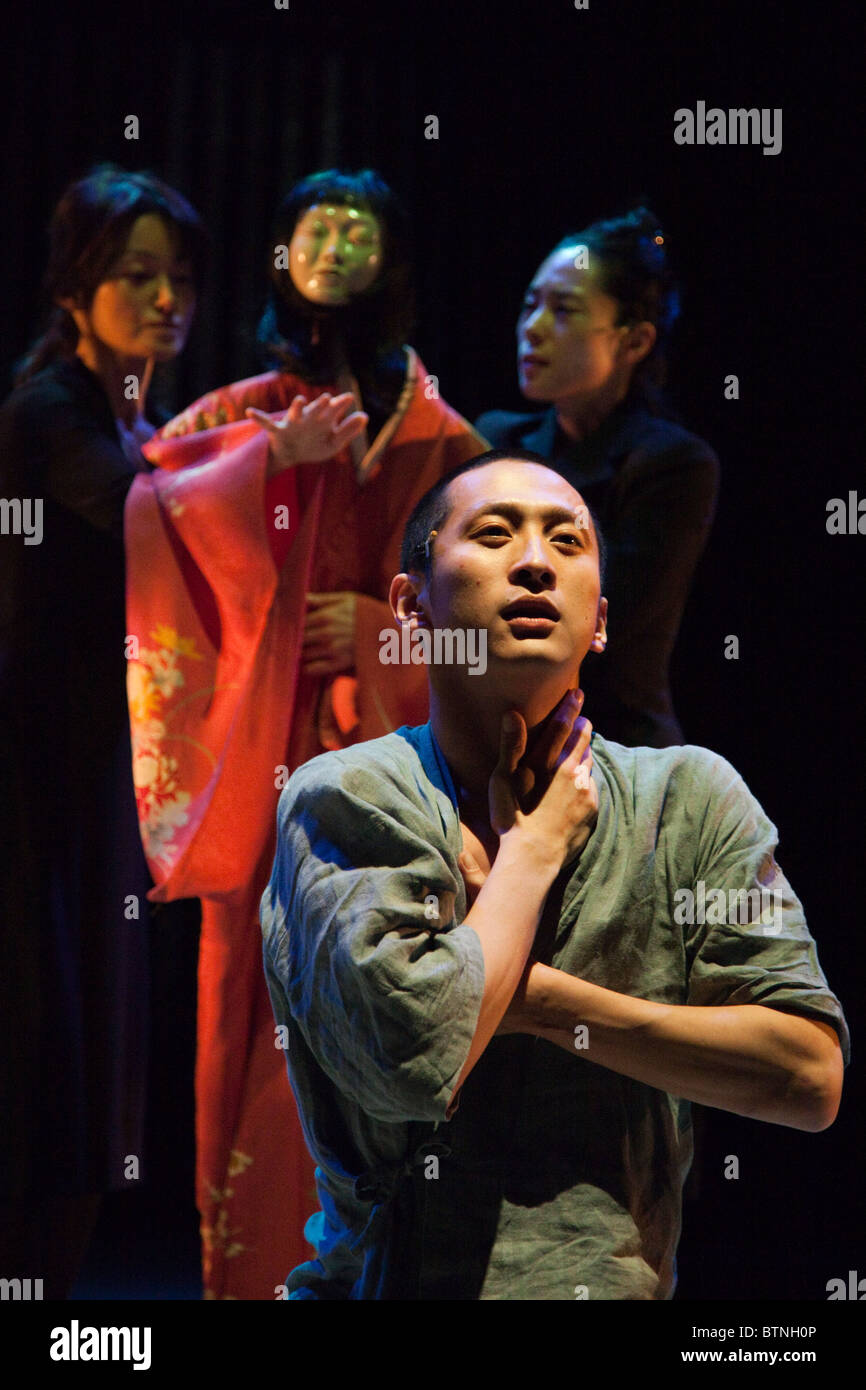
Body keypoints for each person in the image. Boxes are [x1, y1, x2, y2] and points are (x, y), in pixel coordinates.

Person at [261, 450, 849, 1300]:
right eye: (494, 534)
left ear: (601, 619)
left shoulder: (687, 799)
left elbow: (807, 1076)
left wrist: (523, 997)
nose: (535, 561)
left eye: (567, 542)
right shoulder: (350, 796)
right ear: (410, 605)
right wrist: (532, 853)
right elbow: (415, 1059)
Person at [124, 168, 487, 1298]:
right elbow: (152, 498)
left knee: (397, 1008)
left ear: (394, 254)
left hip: (403, 772)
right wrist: (263, 467)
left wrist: (382, 633)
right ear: (280, 252)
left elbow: (489, 633)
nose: (332, 242)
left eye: (357, 224)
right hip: (267, 766)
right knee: (262, 1014)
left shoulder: (446, 443)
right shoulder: (240, 413)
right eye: (309, 226)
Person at [0, 164, 205, 1297]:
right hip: (32, 782)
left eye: (179, 277)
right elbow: (151, 515)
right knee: (42, 1066)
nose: (167, 296)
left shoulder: (146, 425)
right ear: (77, 287)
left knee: (90, 1079)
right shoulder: (50, 415)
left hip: (102, 785)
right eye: (137, 273)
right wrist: (271, 455)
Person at [476, 208, 719, 748]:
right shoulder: (495, 439)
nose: (532, 328)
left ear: (634, 343)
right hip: (495, 743)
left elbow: (598, 619)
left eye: (563, 310)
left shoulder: (672, 463)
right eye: (530, 305)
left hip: (617, 750)